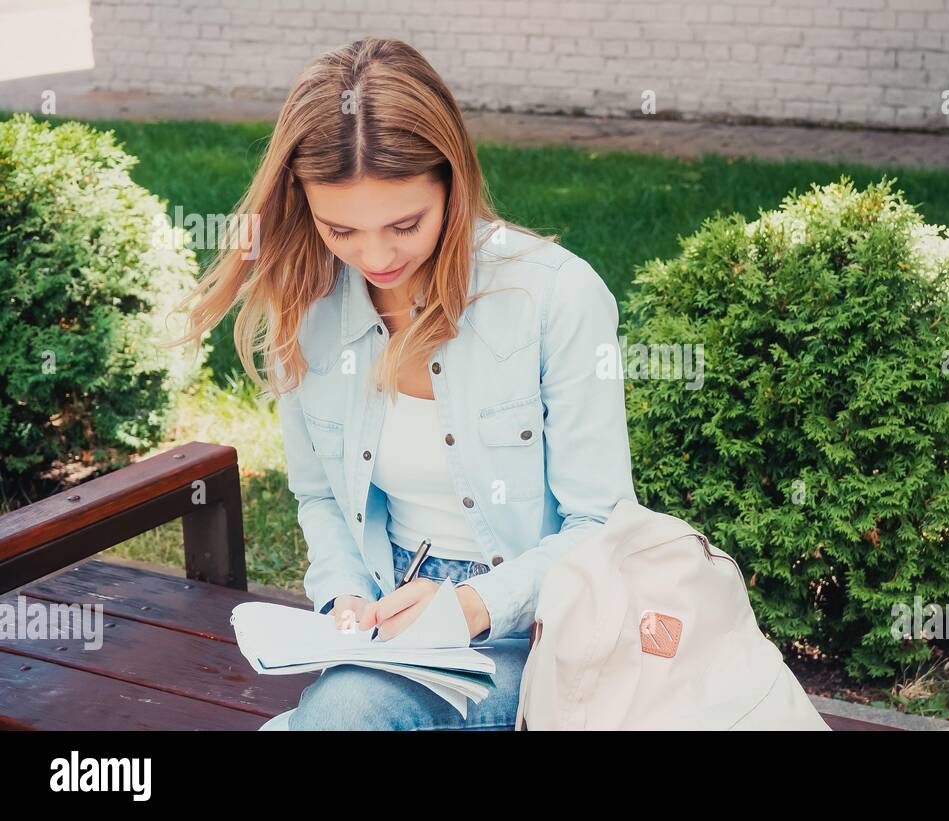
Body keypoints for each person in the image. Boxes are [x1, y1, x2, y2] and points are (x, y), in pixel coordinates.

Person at [168, 37, 637, 730]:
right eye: (342, 230)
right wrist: (345, 600)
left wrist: (469, 607)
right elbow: (320, 495)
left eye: (405, 223)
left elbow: (602, 527)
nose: (377, 256)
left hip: (536, 634)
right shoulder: (310, 309)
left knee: (340, 716)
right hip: (393, 631)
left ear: (452, 178)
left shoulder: (555, 296)